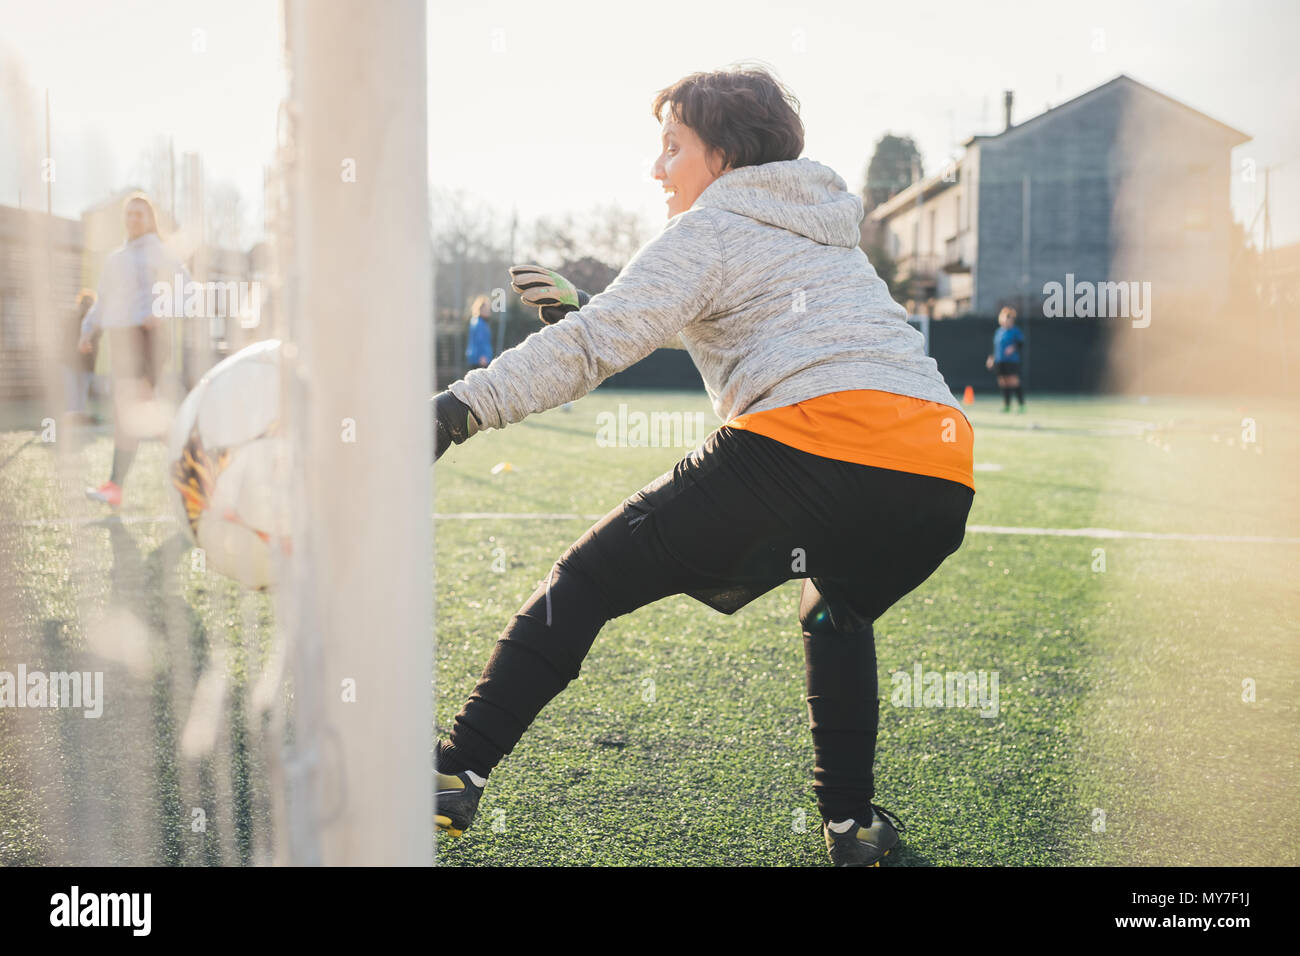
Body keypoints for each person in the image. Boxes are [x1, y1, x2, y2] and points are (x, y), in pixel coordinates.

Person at [431, 65, 975, 867]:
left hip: (809, 444)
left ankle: (451, 774)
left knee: (585, 581)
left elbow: (594, 349)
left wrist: (454, 410)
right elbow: (725, 321)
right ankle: (853, 831)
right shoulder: (828, 238)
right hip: (937, 474)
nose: (657, 168)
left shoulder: (710, 227)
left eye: (672, 146)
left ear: (723, 155)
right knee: (834, 608)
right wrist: (593, 306)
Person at [80, 193, 186, 508]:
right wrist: (87, 330)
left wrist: (162, 311)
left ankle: (117, 485)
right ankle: (194, 470)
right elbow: (103, 300)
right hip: (120, 340)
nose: (134, 219)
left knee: (136, 409)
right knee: (136, 413)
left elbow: (189, 289)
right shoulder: (116, 259)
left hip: (148, 338)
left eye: (140, 214)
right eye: (130, 214)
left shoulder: (161, 253)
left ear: (150, 219)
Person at [64, 289, 99, 421]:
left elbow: (95, 342)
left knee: (81, 394)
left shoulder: (95, 324)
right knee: (72, 393)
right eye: (84, 304)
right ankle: (72, 418)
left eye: (90, 304)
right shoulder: (73, 319)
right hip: (70, 362)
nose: (86, 307)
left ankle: (79, 418)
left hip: (87, 364)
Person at [985, 306, 1025, 413]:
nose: (1006, 321)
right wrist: (991, 358)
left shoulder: (1015, 331)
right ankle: (1007, 406)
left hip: (1011, 361)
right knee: (1003, 382)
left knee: (1013, 381)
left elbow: (1021, 343)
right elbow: (995, 347)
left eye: (1009, 319)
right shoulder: (999, 331)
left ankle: (1022, 405)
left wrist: (1013, 348)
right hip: (999, 361)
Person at [464, 295, 494, 375]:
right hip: (480, 359)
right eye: (486, 309)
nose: (488, 311)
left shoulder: (476, 321)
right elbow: (480, 341)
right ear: (480, 309)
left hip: (476, 358)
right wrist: (483, 356)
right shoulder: (480, 324)